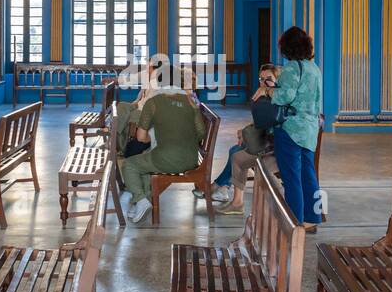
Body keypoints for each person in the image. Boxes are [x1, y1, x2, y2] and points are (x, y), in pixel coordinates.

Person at [117, 78, 206, 224]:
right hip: (191, 158)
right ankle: (143, 200)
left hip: (167, 158)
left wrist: (153, 138)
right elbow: (201, 132)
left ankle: (140, 200)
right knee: (146, 161)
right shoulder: (191, 101)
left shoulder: (153, 102)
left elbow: (140, 137)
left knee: (129, 164)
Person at [197, 64, 282, 214]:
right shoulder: (265, 97)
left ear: (278, 79)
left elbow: (273, 122)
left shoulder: (280, 97)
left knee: (237, 154)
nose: (264, 83)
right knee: (235, 150)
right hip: (265, 143)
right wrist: (245, 131)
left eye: (269, 79)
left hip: (274, 149)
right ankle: (224, 190)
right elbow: (263, 122)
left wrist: (248, 131)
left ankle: (221, 188)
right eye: (261, 79)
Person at [264, 26, 322, 233]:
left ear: (287, 47)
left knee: (291, 176)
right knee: (309, 173)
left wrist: (269, 89)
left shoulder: (291, 68)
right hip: (310, 128)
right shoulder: (314, 68)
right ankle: (312, 219)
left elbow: (284, 97)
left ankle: (294, 221)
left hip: (291, 128)